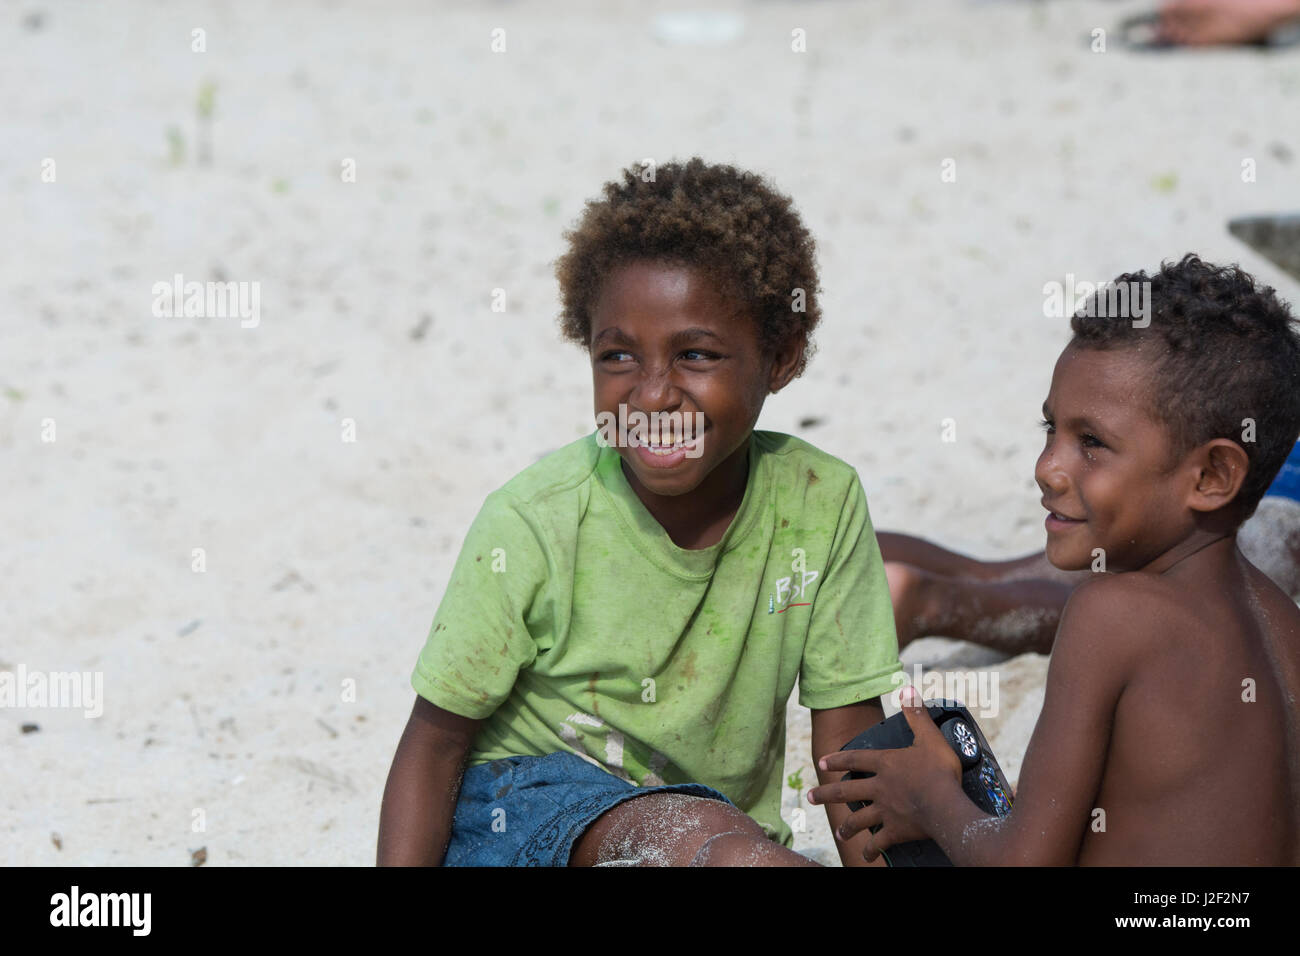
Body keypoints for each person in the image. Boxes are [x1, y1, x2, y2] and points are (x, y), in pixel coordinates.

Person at [377, 158, 901, 867]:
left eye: (695, 354)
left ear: (781, 357)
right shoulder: (535, 521)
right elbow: (434, 743)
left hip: (712, 837)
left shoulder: (820, 501)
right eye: (618, 356)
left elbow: (849, 746)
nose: (651, 396)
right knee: (714, 846)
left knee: (728, 846)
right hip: (526, 814)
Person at [810, 254, 1300, 864]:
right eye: (1050, 430)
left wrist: (931, 798)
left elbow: (1024, 864)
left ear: (1212, 475)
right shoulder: (1282, 618)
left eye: (1091, 442)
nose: (1048, 468)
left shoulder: (1111, 614)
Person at [881, 440, 1300, 653]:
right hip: (1269, 503)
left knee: (996, 575)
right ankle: (934, 605)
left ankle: (844, 551)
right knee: (1143, 610)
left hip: (1258, 465)